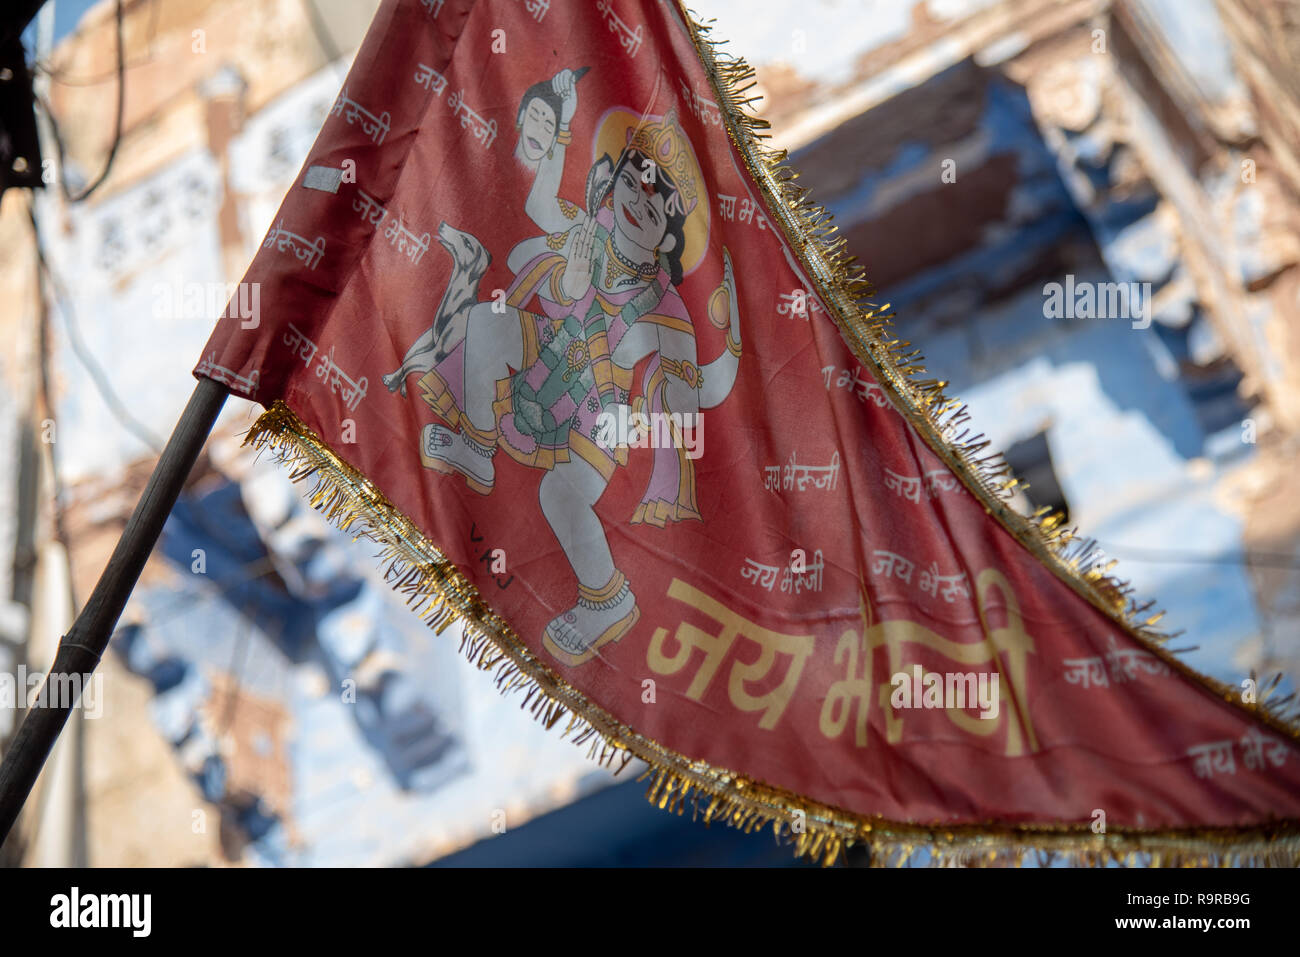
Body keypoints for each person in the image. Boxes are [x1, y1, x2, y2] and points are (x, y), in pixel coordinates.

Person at [392, 70, 742, 666]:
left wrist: (728, 324)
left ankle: (606, 599)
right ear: (615, 185)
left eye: (655, 209)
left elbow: (706, 390)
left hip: (601, 419)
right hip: (546, 361)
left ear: (668, 237)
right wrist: (559, 132)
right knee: (487, 323)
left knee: (561, 494)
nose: (637, 204)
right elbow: (536, 204)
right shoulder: (591, 230)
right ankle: (475, 446)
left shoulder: (665, 306)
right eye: (632, 186)